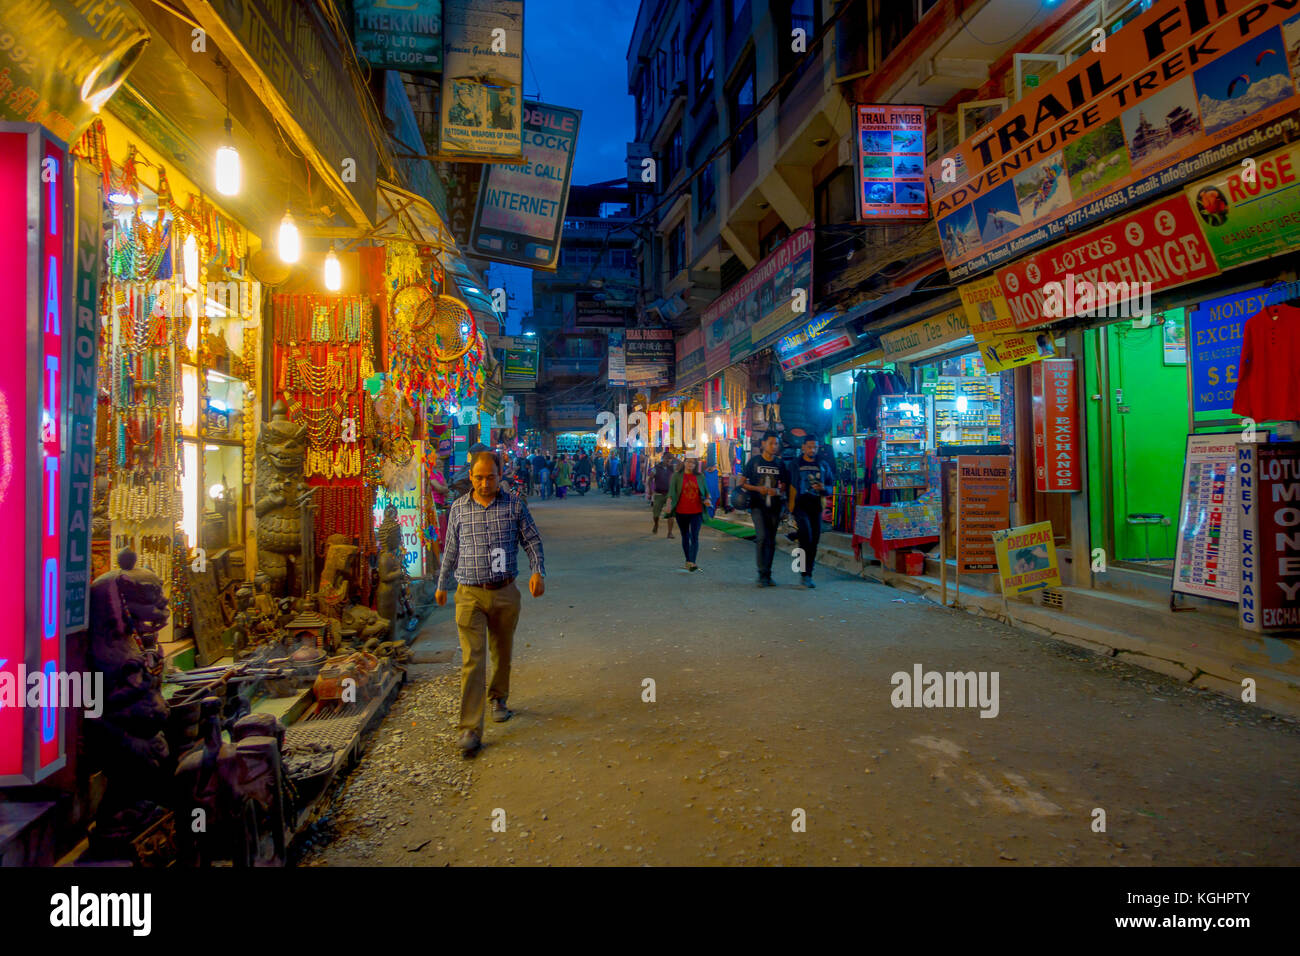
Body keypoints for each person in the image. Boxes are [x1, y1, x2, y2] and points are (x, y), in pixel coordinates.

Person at [435, 450, 546, 756]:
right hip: (468, 593)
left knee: (502, 650)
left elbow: (532, 540)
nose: (484, 483)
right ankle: (470, 728)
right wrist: (442, 584)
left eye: (491, 477)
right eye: (479, 477)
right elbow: (451, 550)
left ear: (501, 475)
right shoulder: (458, 509)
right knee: (472, 660)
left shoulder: (514, 506)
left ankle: (498, 697)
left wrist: (538, 571)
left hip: (505, 591)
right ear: (470, 477)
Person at [742, 431, 790, 587]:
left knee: (771, 540)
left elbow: (784, 486)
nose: (774, 446)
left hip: (775, 507)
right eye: (771, 443)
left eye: (776, 443)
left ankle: (768, 573)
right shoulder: (754, 462)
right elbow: (742, 483)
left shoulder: (780, 463)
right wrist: (757, 488)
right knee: (762, 537)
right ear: (763, 444)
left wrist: (778, 491)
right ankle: (761, 573)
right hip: (757, 505)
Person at [788, 436, 833, 588]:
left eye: (815, 447)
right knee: (805, 536)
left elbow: (830, 486)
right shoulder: (796, 463)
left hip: (816, 506)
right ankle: (803, 573)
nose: (812, 450)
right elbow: (792, 485)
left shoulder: (823, 464)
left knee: (813, 541)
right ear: (803, 447)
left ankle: (809, 574)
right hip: (800, 505)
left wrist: (823, 489)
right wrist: (790, 507)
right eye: (809, 447)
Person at [664, 457, 710, 571]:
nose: (690, 464)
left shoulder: (700, 476)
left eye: (693, 463)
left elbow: (706, 492)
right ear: (684, 463)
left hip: (696, 511)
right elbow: (671, 491)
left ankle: (692, 562)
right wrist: (669, 504)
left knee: (695, 536)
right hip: (681, 511)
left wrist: (707, 500)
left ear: (695, 465)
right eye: (688, 462)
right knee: (685, 536)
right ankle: (688, 560)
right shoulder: (677, 476)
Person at [650, 453, 675, 534]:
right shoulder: (656, 468)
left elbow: (682, 466)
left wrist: (675, 458)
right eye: (667, 458)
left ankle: (670, 532)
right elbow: (650, 479)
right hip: (658, 494)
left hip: (669, 494)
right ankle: (656, 524)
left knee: (670, 514)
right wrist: (651, 490)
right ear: (663, 458)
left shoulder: (672, 468)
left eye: (670, 458)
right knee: (656, 514)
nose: (668, 460)